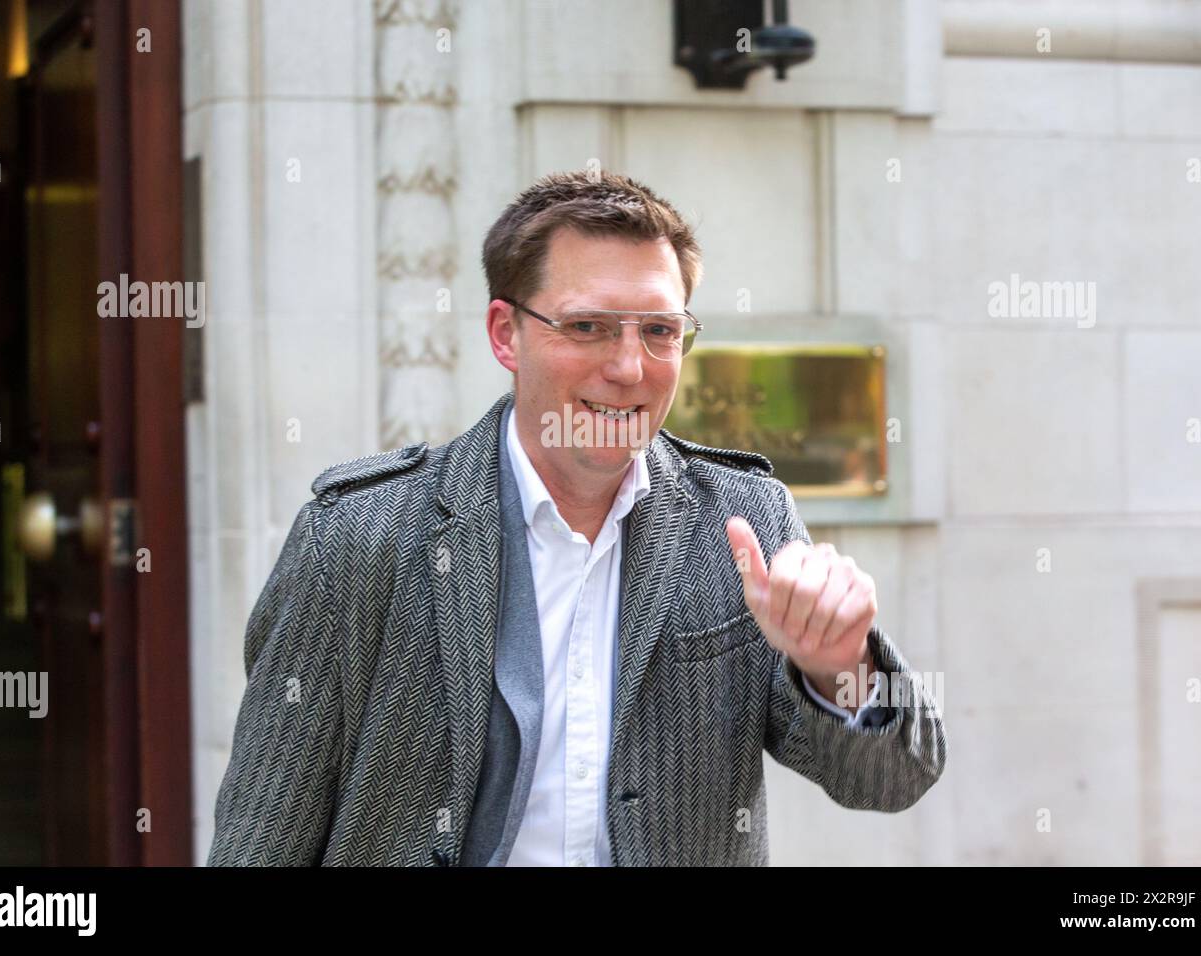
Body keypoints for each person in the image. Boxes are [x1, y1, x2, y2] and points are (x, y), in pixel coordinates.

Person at [207, 171, 946, 866]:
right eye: (588, 326)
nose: (629, 367)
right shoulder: (355, 541)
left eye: (658, 331)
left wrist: (837, 668)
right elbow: (264, 837)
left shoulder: (744, 520)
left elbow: (892, 780)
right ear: (506, 334)